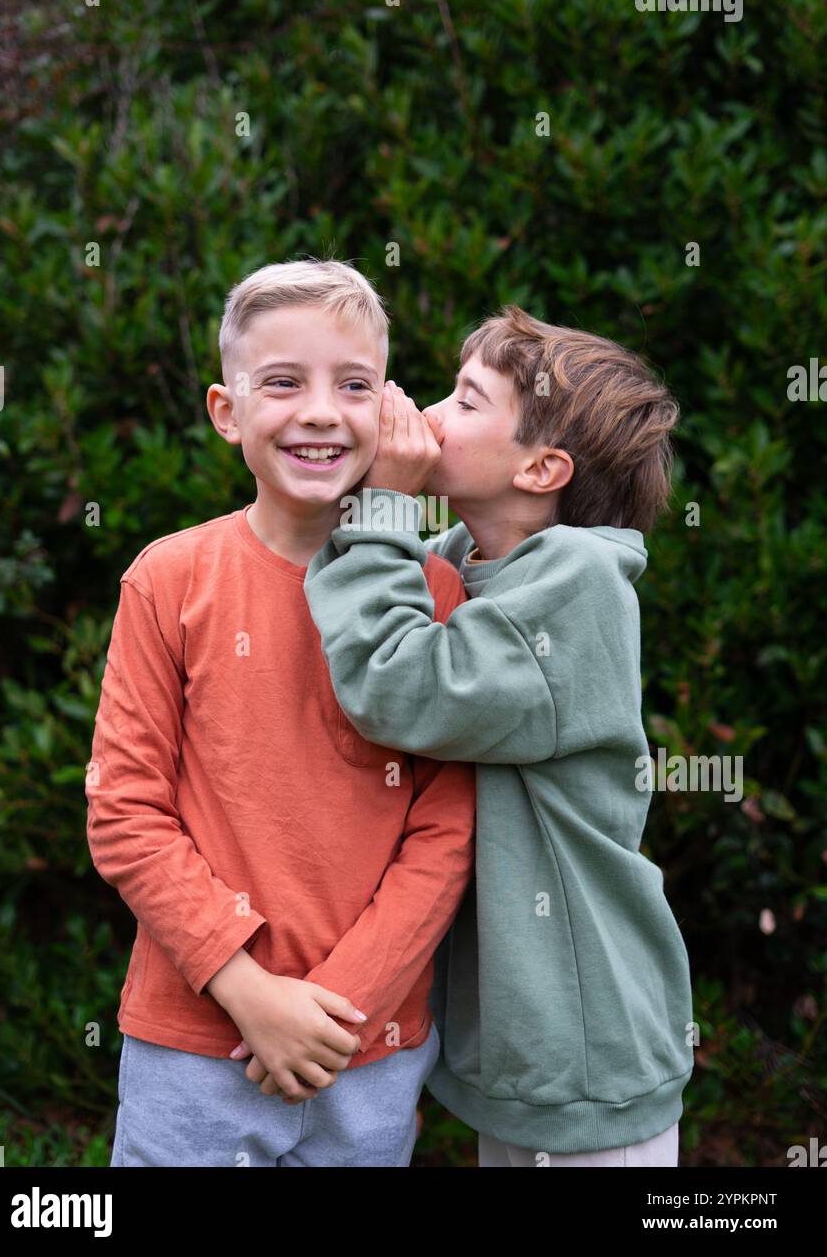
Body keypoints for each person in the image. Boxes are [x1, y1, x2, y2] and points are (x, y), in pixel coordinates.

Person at [86, 258, 476, 1167]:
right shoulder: (170, 579)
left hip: (367, 1048)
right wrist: (250, 993)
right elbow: (125, 810)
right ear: (227, 411)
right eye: (283, 383)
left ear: (388, 410)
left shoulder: (435, 592)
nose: (317, 411)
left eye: (352, 384)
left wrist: (338, 1004)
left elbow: (447, 829)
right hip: (193, 1042)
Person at [302, 304, 695, 1167]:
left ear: (542, 468)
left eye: (467, 401)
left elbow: (399, 686)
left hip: (587, 1050)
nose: (433, 411)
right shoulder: (461, 558)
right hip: (531, 1050)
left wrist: (381, 505)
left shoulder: (582, 583)